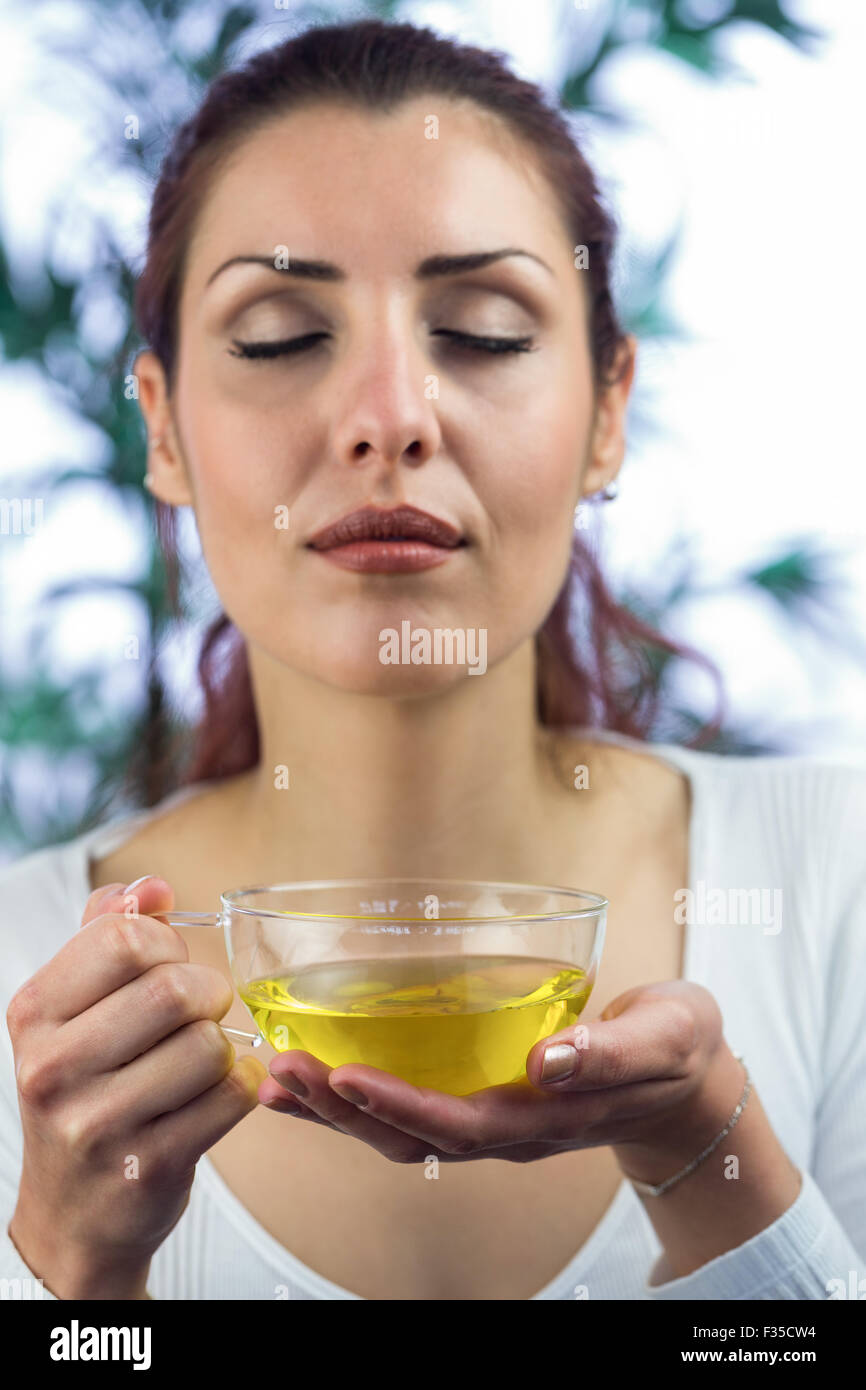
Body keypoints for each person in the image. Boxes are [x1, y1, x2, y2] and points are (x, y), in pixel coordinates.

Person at [2, 18, 864, 1302]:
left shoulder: (834, 883)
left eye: (482, 329)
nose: (390, 417)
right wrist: (74, 1270)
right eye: (282, 336)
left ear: (606, 416)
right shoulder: (32, 991)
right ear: (164, 429)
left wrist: (706, 1152)